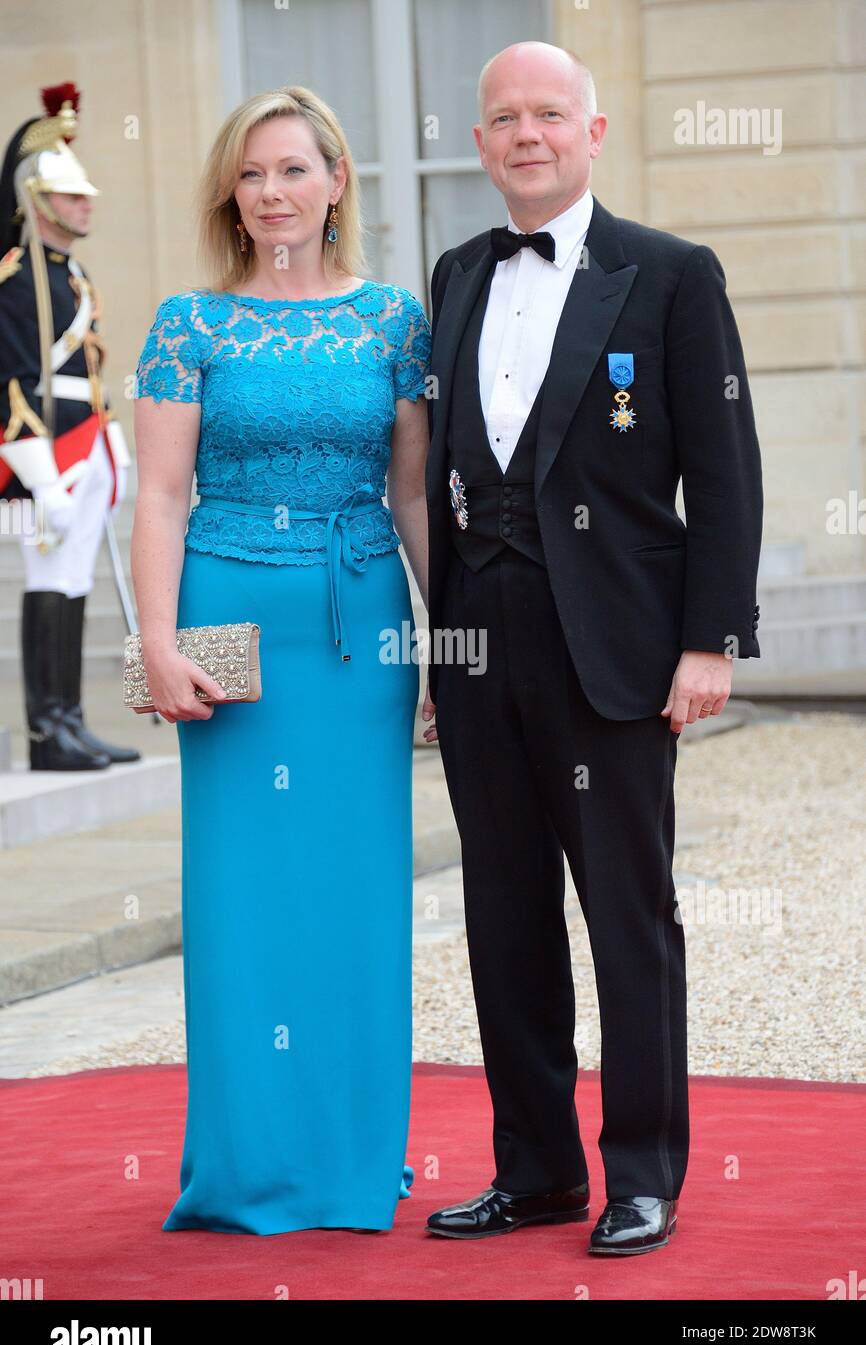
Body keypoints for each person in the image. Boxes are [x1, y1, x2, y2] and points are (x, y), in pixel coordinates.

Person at [421, 42, 762, 1255]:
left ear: (592, 130)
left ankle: (642, 1174)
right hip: (481, 650)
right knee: (502, 913)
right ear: (479, 143)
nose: (526, 134)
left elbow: (722, 477)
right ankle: (535, 1170)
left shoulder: (670, 274)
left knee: (627, 915)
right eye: (503, 117)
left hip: (614, 644)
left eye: (548, 114)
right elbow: (446, 479)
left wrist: (710, 641)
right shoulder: (456, 272)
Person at [132, 85, 431, 1235]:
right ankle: (249, 1166)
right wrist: (158, 641)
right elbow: (159, 495)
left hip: (360, 623)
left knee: (354, 891)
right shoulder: (187, 326)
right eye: (252, 174)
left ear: (336, 180)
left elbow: (411, 491)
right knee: (241, 894)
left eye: (293, 170)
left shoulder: (392, 321)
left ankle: (352, 1160)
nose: (272, 194)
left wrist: (448, 647)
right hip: (226, 620)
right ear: (230, 191)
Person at [0, 81, 139, 770]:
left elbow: (85, 369)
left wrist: (109, 443)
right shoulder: (16, 276)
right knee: (46, 577)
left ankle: (70, 720)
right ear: (39, 201)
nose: (86, 205)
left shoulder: (70, 272)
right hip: (40, 460)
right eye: (73, 196)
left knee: (74, 578)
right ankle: (44, 730)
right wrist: (39, 473)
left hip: (84, 448)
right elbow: (14, 381)